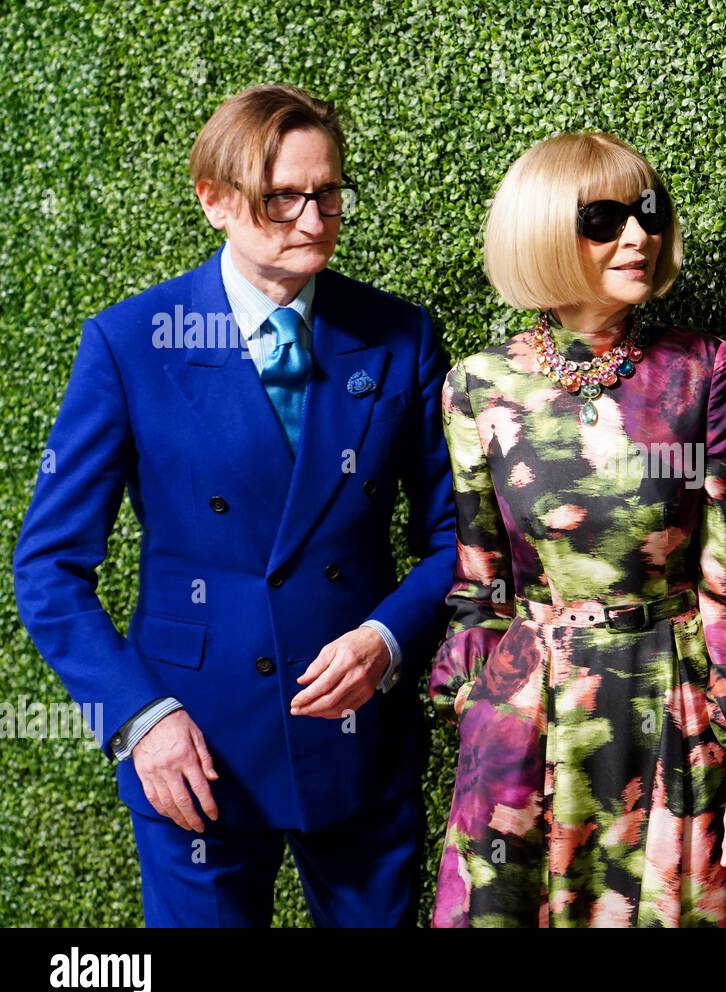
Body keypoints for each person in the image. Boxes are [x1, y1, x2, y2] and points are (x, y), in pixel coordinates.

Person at [12, 83, 457, 927]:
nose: (315, 217)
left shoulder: (402, 334)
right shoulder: (130, 341)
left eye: (328, 193)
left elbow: (455, 540)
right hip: (192, 748)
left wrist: (387, 637)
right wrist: (140, 719)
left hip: (357, 735)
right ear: (213, 200)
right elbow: (47, 567)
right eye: (282, 196)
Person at [430, 131, 726, 927]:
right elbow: (479, 578)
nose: (638, 236)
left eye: (647, 213)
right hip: (528, 724)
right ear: (546, 229)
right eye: (604, 219)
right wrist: (479, 707)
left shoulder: (703, 371)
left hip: (673, 709)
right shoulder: (478, 387)